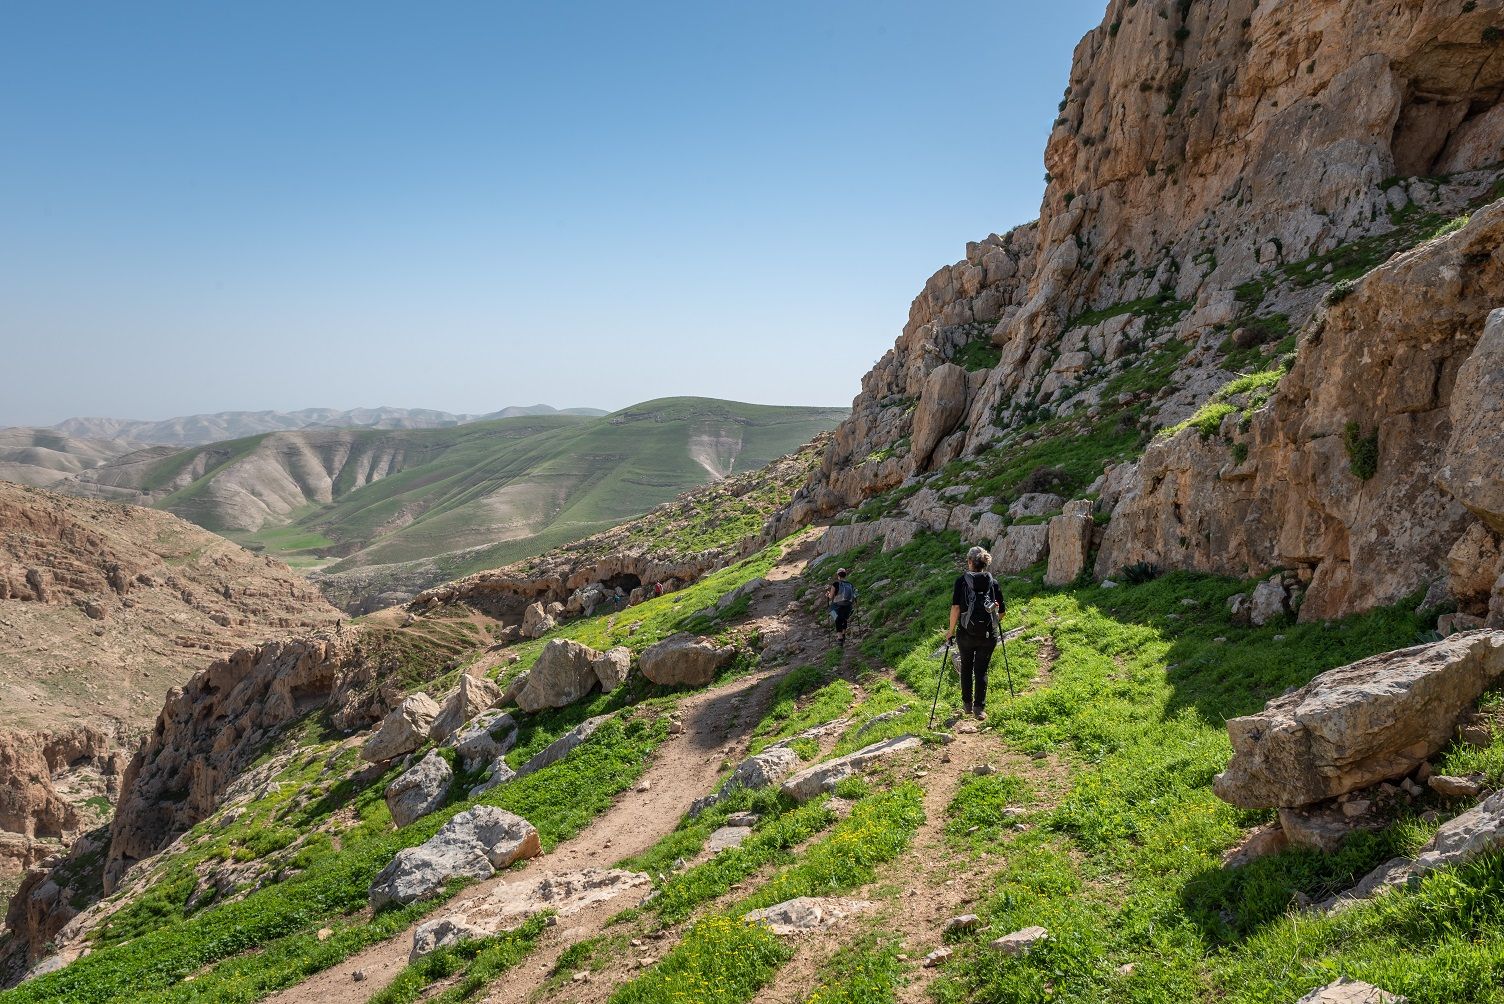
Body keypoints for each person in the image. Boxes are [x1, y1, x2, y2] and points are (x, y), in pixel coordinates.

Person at [945, 545, 1005, 721]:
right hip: (987, 635)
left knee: (966, 667)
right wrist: (991, 623)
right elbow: (1001, 612)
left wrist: (950, 631)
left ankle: (967, 705)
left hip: (965, 634)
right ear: (984, 563)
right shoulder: (993, 582)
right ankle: (980, 708)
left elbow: (956, 607)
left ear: (970, 562)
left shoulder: (961, 581)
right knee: (981, 670)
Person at [827, 567, 857, 645]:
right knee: (844, 618)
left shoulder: (836, 584)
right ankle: (843, 633)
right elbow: (854, 595)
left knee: (835, 616)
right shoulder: (850, 584)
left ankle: (839, 638)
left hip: (837, 605)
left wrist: (827, 595)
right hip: (848, 605)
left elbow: (831, 597)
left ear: (838, 575)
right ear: (845, 575)